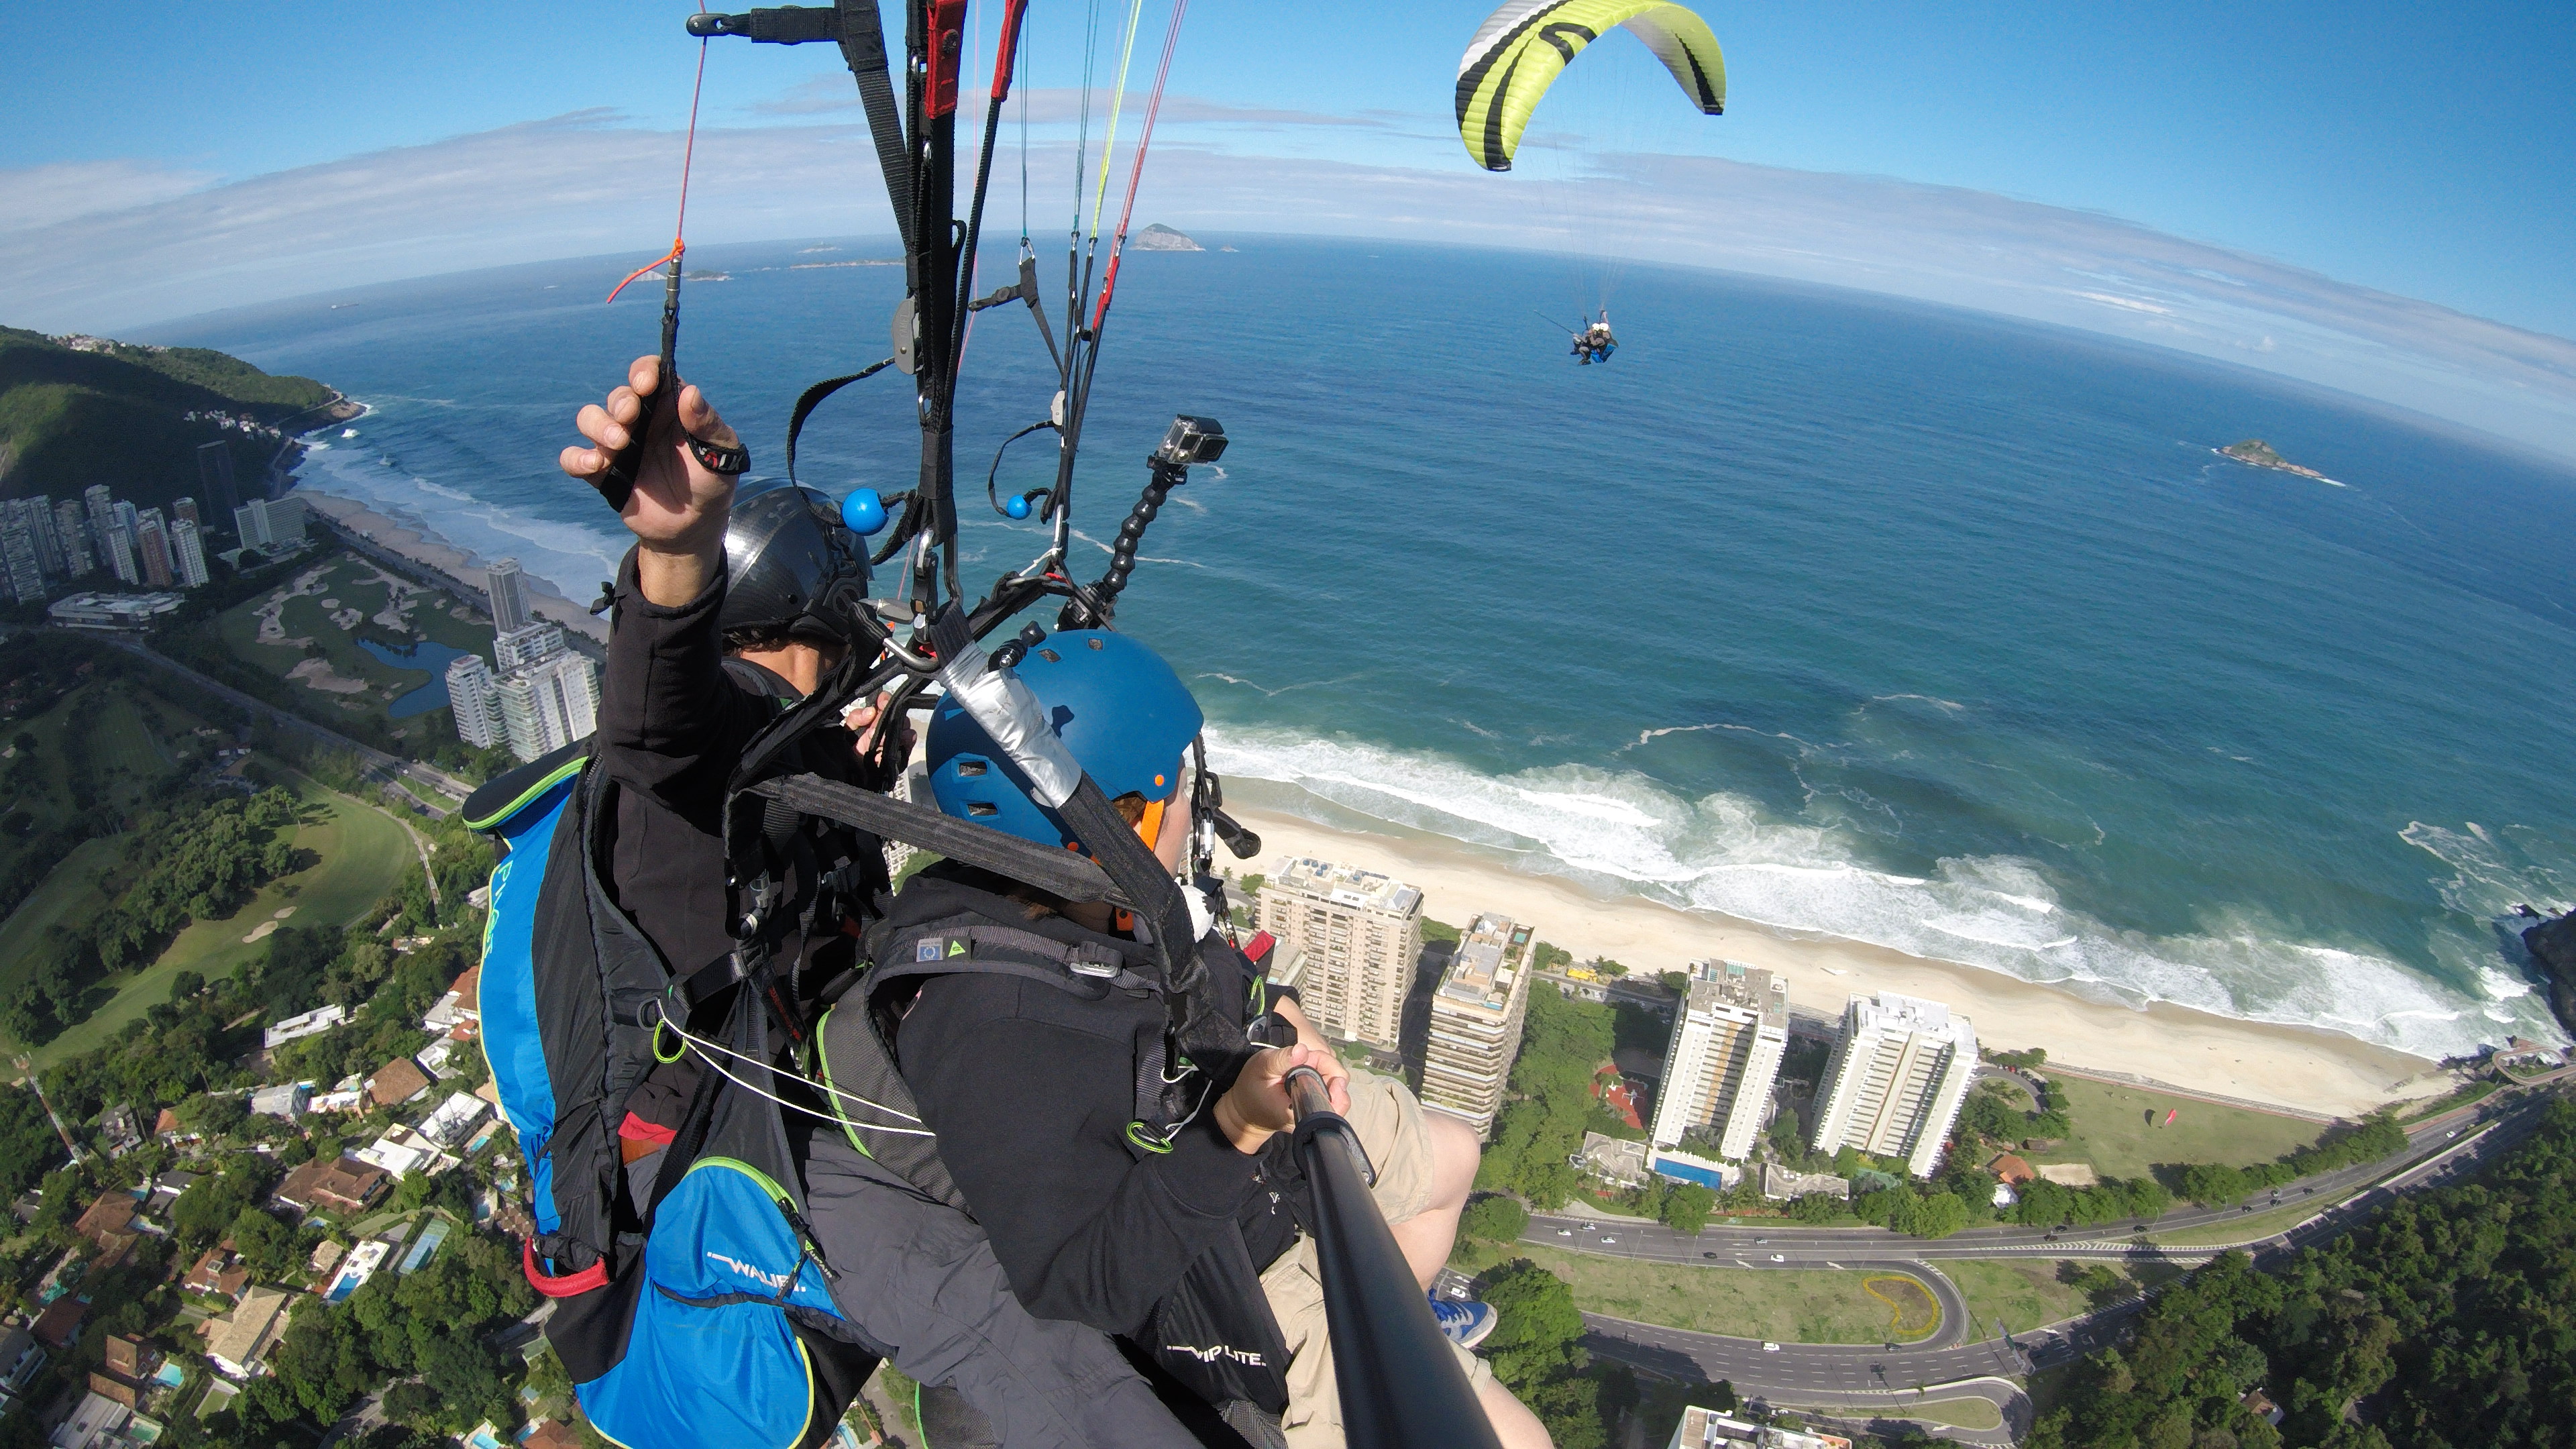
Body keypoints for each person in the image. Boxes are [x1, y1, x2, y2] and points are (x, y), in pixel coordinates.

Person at [559, 356, 1202, 1449]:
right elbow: (658, 725)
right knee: (1024, 1318)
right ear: (817, 637)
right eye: (858, 645)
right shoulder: (698, 773)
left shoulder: (791, 770)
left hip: (807, 1086)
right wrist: (673, 555)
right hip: (735, 1152)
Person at [849, 630, 1554, 1449]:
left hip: (1265, 1122)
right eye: (1180, 787)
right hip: (1232, 1257)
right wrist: (1236, 1132)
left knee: (1453, 1156)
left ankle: (1396, 1306)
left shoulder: (1105, 898)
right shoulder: (991, 1028)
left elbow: (1215, 978)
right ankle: (1372, 1337)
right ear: (1126, 819)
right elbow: (1079, 1283)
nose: (1195, 803)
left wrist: (1296, 1041)